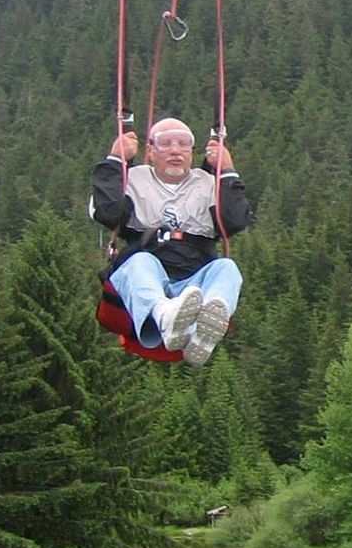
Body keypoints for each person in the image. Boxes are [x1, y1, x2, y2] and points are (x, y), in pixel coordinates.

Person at [89, 117, 253, 366]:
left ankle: (203, 328)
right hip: (145, 276)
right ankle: (165, 315)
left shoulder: (208, 184)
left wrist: (227, 171)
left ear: (192, 152)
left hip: (193, 279)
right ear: (151, 152)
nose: (175, 150)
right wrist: (116, 159)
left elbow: (234, 221)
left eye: (183, 144)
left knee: (227, 269)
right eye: (165, 143)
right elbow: (108, 213)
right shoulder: (132, 179)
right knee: (139, 262)